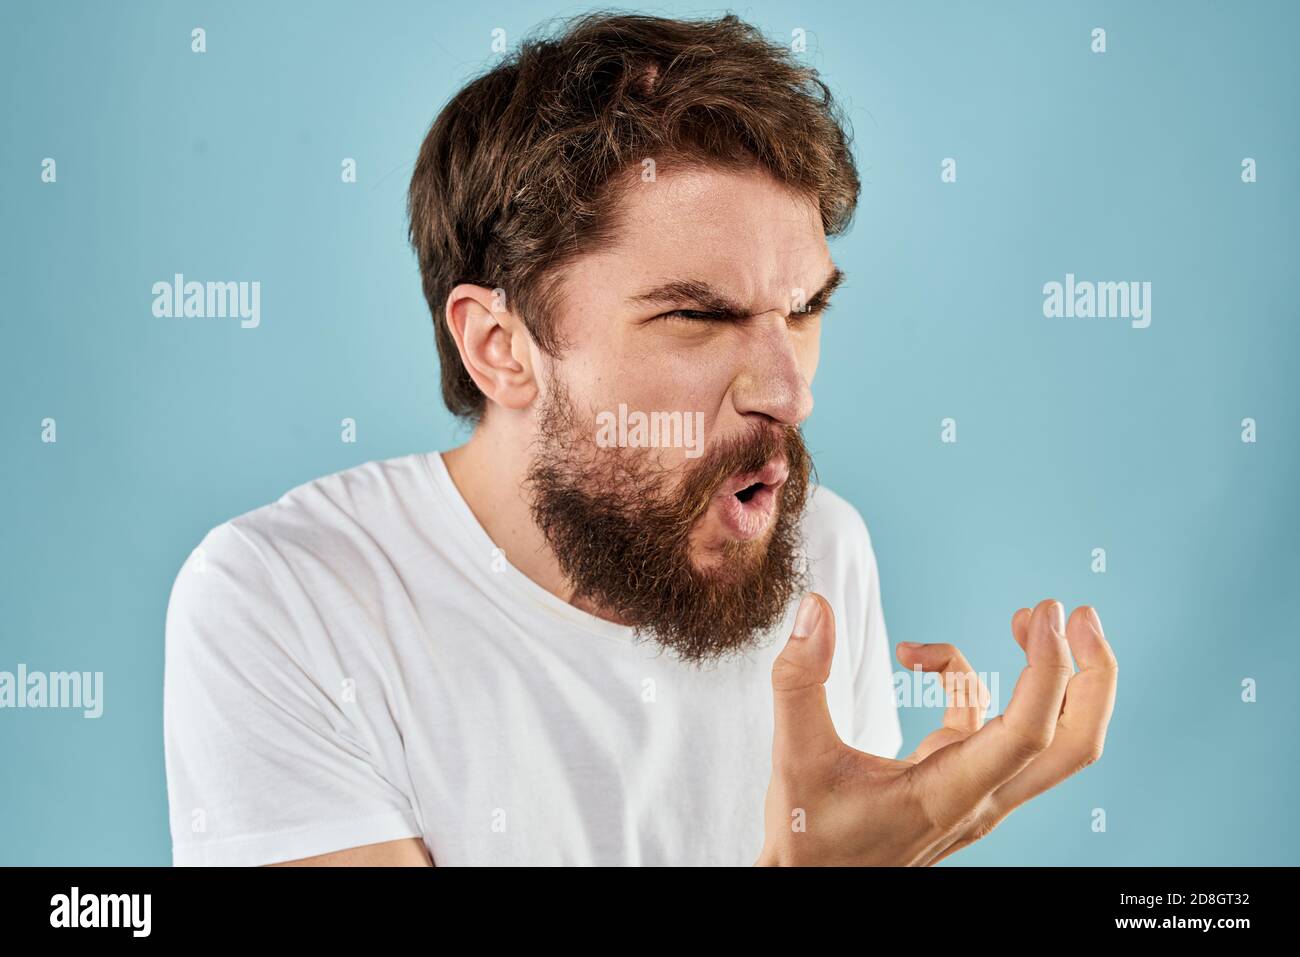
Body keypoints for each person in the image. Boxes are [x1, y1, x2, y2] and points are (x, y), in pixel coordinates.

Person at [163, 11, 1117, 867]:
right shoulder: (285, 599)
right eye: (699, 316)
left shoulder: (824, 554)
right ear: (501, 348)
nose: (790, 393)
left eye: (805, 309)